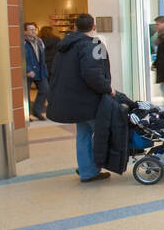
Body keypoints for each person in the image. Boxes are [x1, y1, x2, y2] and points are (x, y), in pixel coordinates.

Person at [47, 12, 115, 183]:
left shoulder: (64, 46)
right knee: (102, 132)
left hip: (73, 99)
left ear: (75, 27)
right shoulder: (93, 44)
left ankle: (86, 170)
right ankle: (93, 168)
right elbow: (93, 74)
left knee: (83, 134)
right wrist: (107, 89)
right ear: (94, 27)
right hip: (89, 99)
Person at [22, 22, 48, 121]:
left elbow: (42, 56)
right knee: (26, 94)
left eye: (34, 29)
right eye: (30, 30)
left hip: (40, 71)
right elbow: (21, 58)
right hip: (28, 71)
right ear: (25, 31)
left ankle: (37, 111)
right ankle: (27, 114)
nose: (33, 31)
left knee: (45, 89)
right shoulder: (23, 42)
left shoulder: (39, 41)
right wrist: (27, 70)